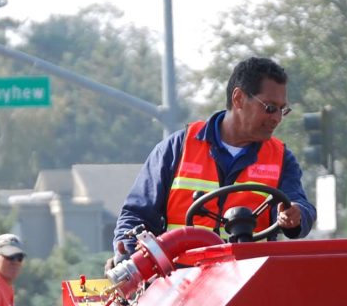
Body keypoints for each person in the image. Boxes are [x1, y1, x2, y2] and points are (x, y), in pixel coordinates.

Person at [113, 56, 316, 258]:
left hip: (251, 275)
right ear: (238, 98)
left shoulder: (281, 159)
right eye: (270, 108)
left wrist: (296, 214)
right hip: (180, 276)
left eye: (282, 110)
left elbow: (299, 205)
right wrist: (126, 256)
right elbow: (135, 216)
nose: (277, 118)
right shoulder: (176, 149)